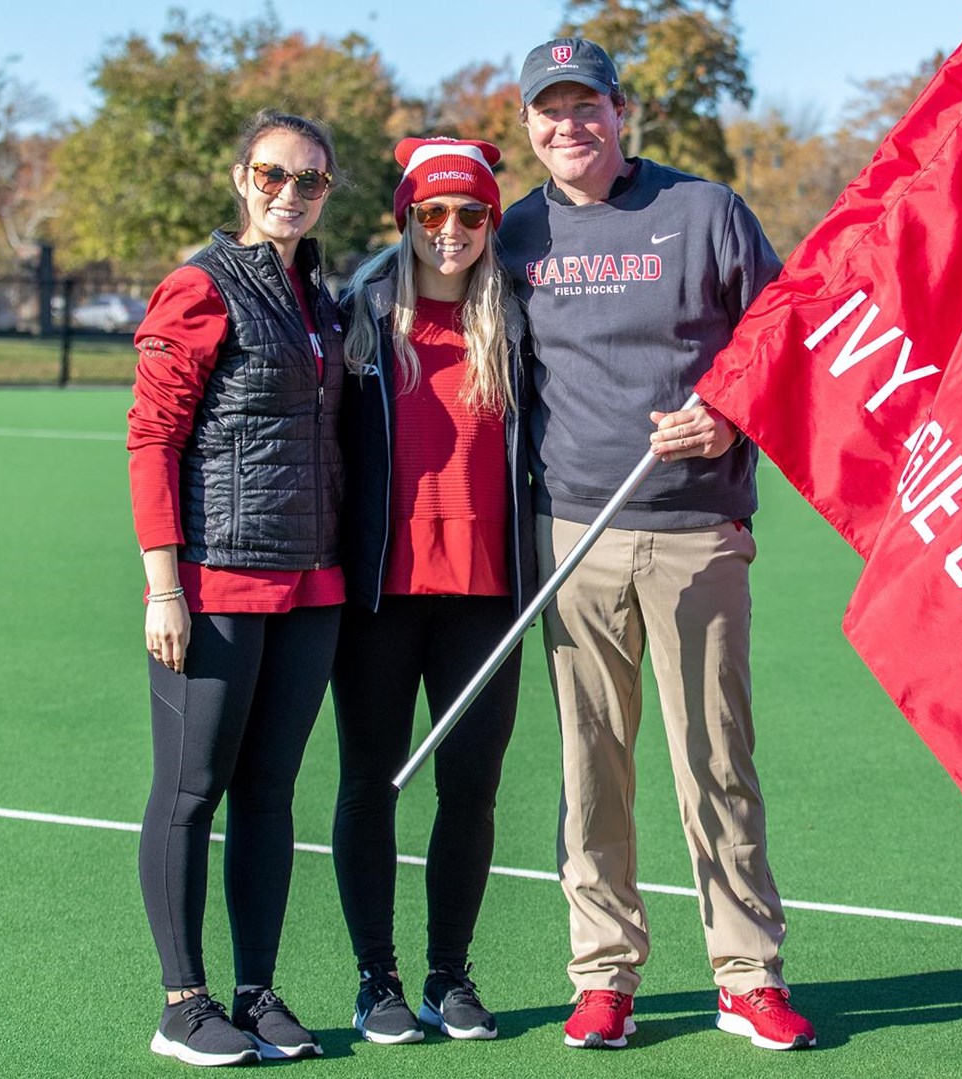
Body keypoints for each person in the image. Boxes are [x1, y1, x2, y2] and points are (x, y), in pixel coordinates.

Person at [498, 37, 816, 1052]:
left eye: (586, 105)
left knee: (715, 759)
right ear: (528, 127)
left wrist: (727, 419)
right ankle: (603, 973)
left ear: (620, 110)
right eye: (549, 112)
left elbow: (786, 343)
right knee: (591, 765)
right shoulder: (515, 232)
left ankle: (746, 971)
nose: (570, 126)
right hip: (573, 534)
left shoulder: (705, 209)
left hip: (695, 530)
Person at [127, 109, 345, 1067]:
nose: (288, 194)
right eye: (272, 175)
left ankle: (255, 992)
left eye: (308, 181)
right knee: (191, 788)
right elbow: (151, 438)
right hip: (215, 580)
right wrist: (162, 587)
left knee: (270, 790)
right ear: (239, 177)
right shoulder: (199, 287)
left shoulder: (318, 297)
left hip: (311, 581)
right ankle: (183, 1002)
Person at [329, 136, 536, 1045]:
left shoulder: (520, 316)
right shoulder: (363, 312)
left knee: (471, 789)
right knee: (370, 781)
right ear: (406, 219)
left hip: (490, 596)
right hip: (381, 593)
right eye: (432, 213)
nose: (451, 230)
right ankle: (376, 978)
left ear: (492, 221)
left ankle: (449, 974)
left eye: (471, 214)